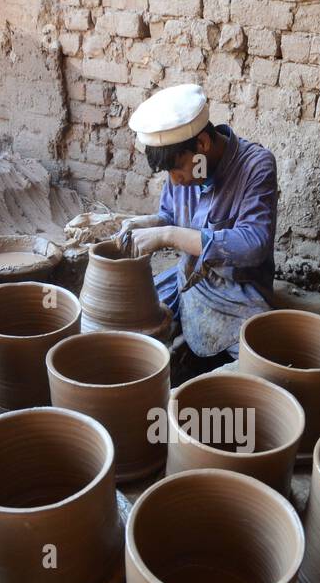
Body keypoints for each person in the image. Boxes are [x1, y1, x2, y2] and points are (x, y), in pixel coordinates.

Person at [119, 84, 279, 382]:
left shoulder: (256, 166)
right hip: (188, 277)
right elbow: (169, 215)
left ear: (202, 144)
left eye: (177, 169)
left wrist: (168, 235)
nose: (175, 181)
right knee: (125, 320)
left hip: (236, 290)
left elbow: (254, 244)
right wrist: (147, 223)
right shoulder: (182, 172)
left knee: (265, 369)